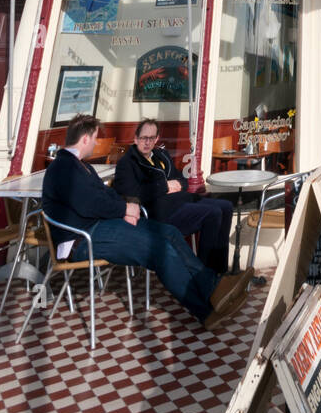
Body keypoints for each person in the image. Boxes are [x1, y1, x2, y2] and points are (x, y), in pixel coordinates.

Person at [42, 114, 251, 329]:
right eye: (94, 138)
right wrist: (125, 208)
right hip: (82, 238)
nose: (96, 143)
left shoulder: (82, 166)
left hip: (102, 226)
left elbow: (106, 194)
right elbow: (89, 204)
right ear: (85, 138)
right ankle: (205, 312)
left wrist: (127, 210)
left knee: (170, 233)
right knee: (160, 250)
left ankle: (213, 288)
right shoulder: (63, 168)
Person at [113, 120, 233, 273]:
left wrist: (176, 185)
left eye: (151, 138)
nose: (147, 142)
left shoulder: (161, 156)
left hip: (180, 202)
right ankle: (205, 273)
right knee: (213, 213)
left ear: (157, 139)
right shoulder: (128, 163)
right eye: (144, 138)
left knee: (226, 207)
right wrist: (165, 187)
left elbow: (182, 181)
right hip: (159, 213)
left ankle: (220, 269)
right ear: (136, 138)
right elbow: (130, 194)